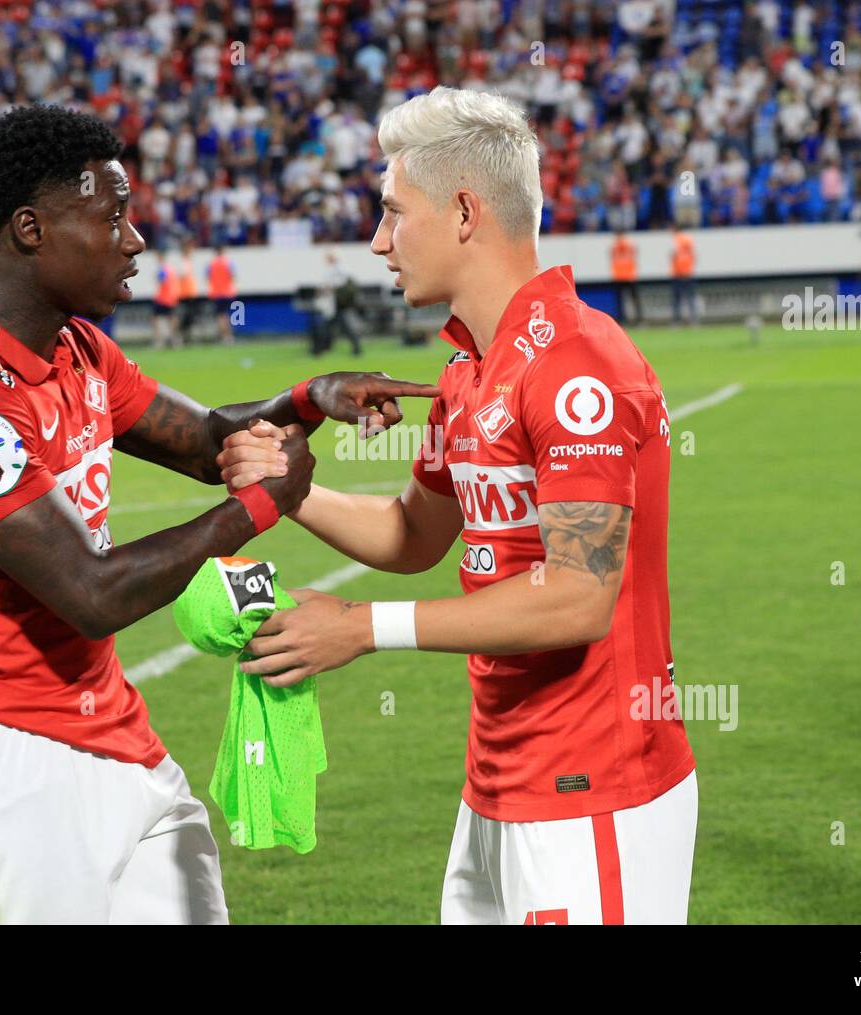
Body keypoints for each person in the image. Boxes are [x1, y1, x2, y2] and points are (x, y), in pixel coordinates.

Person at [0, 104, 439, 925]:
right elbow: (93, 593)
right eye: (111, 218)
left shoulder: (77, 350)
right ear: (30, 230)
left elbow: (209, 441)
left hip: (110, 728)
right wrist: (258, 507)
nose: (135, 240)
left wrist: (307, 398)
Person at [215, 87, 697, 925]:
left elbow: (580, 595)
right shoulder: (469, 372)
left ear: (465, 211)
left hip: (594, 793)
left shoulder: (579, 364)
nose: (377, 241)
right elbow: (413, 533)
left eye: (393, 212)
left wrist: (362, 628)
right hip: (495, 785)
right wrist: (291, 492)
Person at [310, 249, 363, 356]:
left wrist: (326, 288)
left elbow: (339, 284)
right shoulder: (332, 269)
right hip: (333, 305)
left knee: (337, 327)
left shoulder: (341, 269)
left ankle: (319, 350)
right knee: (330, 327)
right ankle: (321, 349)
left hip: (339, 304)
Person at [205, 244, 237, 344]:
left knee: (221, 316)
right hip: (228, 292)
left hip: (217, 293)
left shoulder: (211, 264)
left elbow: (208, 277)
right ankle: (230, 336)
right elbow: (233, 276)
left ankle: (224, 337)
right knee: (228, 315)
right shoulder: (228, 263)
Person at [609, 230, 642, 326]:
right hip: (629, 275)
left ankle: (622, 320)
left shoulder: (615, 245)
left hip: (620, 275)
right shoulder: (630, 244)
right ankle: (638, 319)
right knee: (633, 299)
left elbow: (612, 259)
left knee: (620, 300)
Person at [151, 247, 181, 348]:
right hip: (172, 297)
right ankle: (175, 339)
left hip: (162, 298)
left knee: (156, 318)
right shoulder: (171, 268)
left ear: (160, 257)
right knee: (172, 318)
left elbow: (161, 281)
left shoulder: (162, 269)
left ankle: (159, 341)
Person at [669, 222, 697, 325]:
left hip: (679, 273)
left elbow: (674, 256)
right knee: (689, 297)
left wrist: (681, 270)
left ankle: (676, 321)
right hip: (687, 272)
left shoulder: (676, 241)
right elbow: (693, 256)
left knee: (677, 299)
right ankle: (693, 319)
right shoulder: (688, 239)